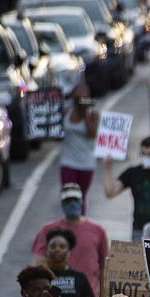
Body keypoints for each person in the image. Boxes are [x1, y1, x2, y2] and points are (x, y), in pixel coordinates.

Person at [30, 184, 108, 295]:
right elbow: (39, 263)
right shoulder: (47, 230)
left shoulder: (98, 230)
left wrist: (104, 296)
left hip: (90, 295)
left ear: (81, 202)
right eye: (68, 201)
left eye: (75, 200)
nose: (72, 204)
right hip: (57, 293)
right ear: (62, 204)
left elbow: (104, 266)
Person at [59, 82, 98, 210]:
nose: (81, 97)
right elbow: (57, 132)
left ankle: (80, 220)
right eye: (78, 95)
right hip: (68, 162)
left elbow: (93, 134)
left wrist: (86, 115)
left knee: (81, 197)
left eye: (84, 95)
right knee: (69, 196)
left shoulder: (93, 114)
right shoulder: (66, 112)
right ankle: (69, 219)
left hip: (86, 163)